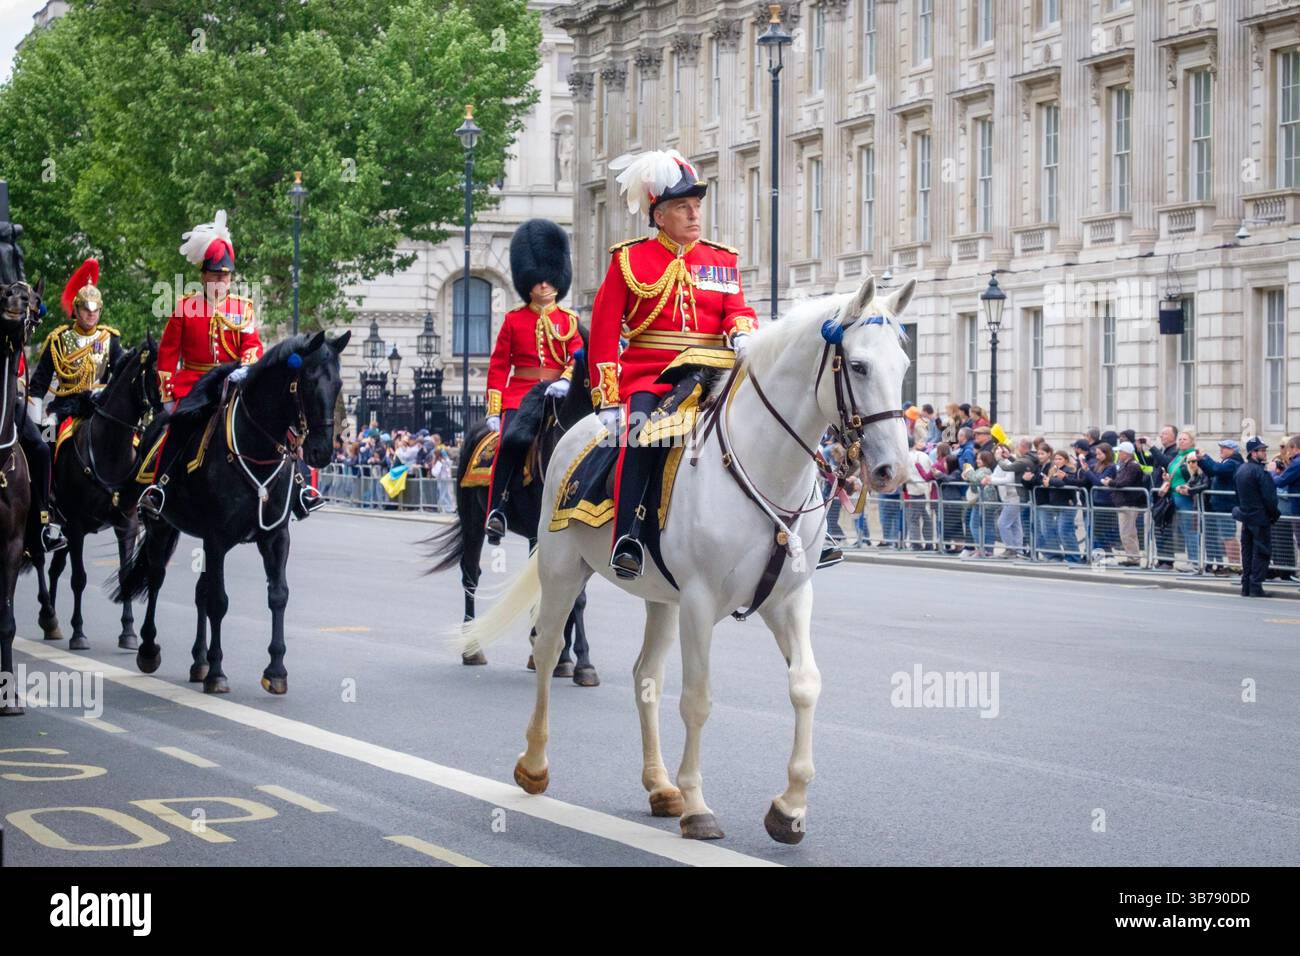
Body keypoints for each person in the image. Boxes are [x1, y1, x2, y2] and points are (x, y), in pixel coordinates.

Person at [588, 148, 757, 578]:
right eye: (683, 207)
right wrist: (607, 400)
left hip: (715, 372)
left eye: (697, 206)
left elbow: (736, 309)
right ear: (659, 215)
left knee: (772, 424)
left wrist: (740, 330)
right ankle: (627, 536)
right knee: (643, 438)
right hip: (652, 376)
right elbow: (606, 333)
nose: (693, 214)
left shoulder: (722, 260)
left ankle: (801, 527)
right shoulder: (629, 260)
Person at [140, 210, 272, 518]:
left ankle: (292, 488)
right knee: (176, 429)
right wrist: (169, 392)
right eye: (214, 275)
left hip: (233, 385)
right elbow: (168, 355)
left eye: (225, 276)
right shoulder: (185, 308)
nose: (220, 281)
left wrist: (247, 366)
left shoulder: (243, 308)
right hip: (193, 387)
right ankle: (160, 486)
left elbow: (253, 344)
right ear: (203, 276)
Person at [483, 219, 583, 543]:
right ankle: (497, 509)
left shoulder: (569, 321)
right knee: (510, 441)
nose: (543, 285)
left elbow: (577, 355)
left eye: (549, 279)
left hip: (558, 394)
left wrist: (567, 379)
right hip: (520, 394)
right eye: (537, 280)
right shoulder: (513, 320)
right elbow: (499, 366)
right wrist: (494, 409)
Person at [25, 258, 125, 550]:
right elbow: (39, 384)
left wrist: (105, 392)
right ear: (77, 310)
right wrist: (37, 416)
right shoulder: (59, 340)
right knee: (46, 448)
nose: (91, 315)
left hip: (100, 407)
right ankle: (48, 508)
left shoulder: (109, 340)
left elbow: (120, 378)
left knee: (134, 440)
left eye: (95, 310)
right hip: (66, 408)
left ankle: (138, 499)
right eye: (85, 309)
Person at [1234, 437, 1280, 597]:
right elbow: (1269, 498)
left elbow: (1236, 494)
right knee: (1261, 552)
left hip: (1247, 517)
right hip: (1259, 518)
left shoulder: (1241, 469)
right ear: (1253, 453)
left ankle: (1246, 586)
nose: (1265, 453)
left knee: (1247, 552)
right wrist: (1274, 515)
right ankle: (1255, 587)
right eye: (1262, 450)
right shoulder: (1260, 472)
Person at [1195, 439, 1244, 574]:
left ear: (1233, 450)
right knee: (1225, 536)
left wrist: (1205, 457)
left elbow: (1216, 469)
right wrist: (1201, 460)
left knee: (1228, 536)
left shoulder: (1233, 463)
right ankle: (1233, 565)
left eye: (1225, 448)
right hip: (1221, 505)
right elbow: (1211, 471)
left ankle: (1235, 566)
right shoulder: (1227, 461)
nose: (1221, 450)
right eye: (1221, 447)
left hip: (1226, 505)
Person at [1158, 430, 1201, 573]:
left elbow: (1195, 477)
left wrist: (1181, 486)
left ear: (1191, 442)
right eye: (1180, 439)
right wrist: (1167, 477)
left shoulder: (1192, 455)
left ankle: (1194, 562)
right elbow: (1176, 474)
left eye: (1185, 439)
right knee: (1184, 529)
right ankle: (1191, 561)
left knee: (1190, 530)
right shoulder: (1179, 455)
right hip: (1174, 496)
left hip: (1185, 498)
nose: (1181, 441)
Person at [1108, 441, 1146, 566]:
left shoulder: (1132, 466)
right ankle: (1132, 557)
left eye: (1120, 452)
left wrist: (1110, 483)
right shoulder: (1125, 465)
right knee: (1127, 533)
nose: (1118, 454)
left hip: (1130, 503)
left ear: (1126, 453)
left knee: (1127, 533)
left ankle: (1133, 559)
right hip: (1125, 503)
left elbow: (1125, 482)